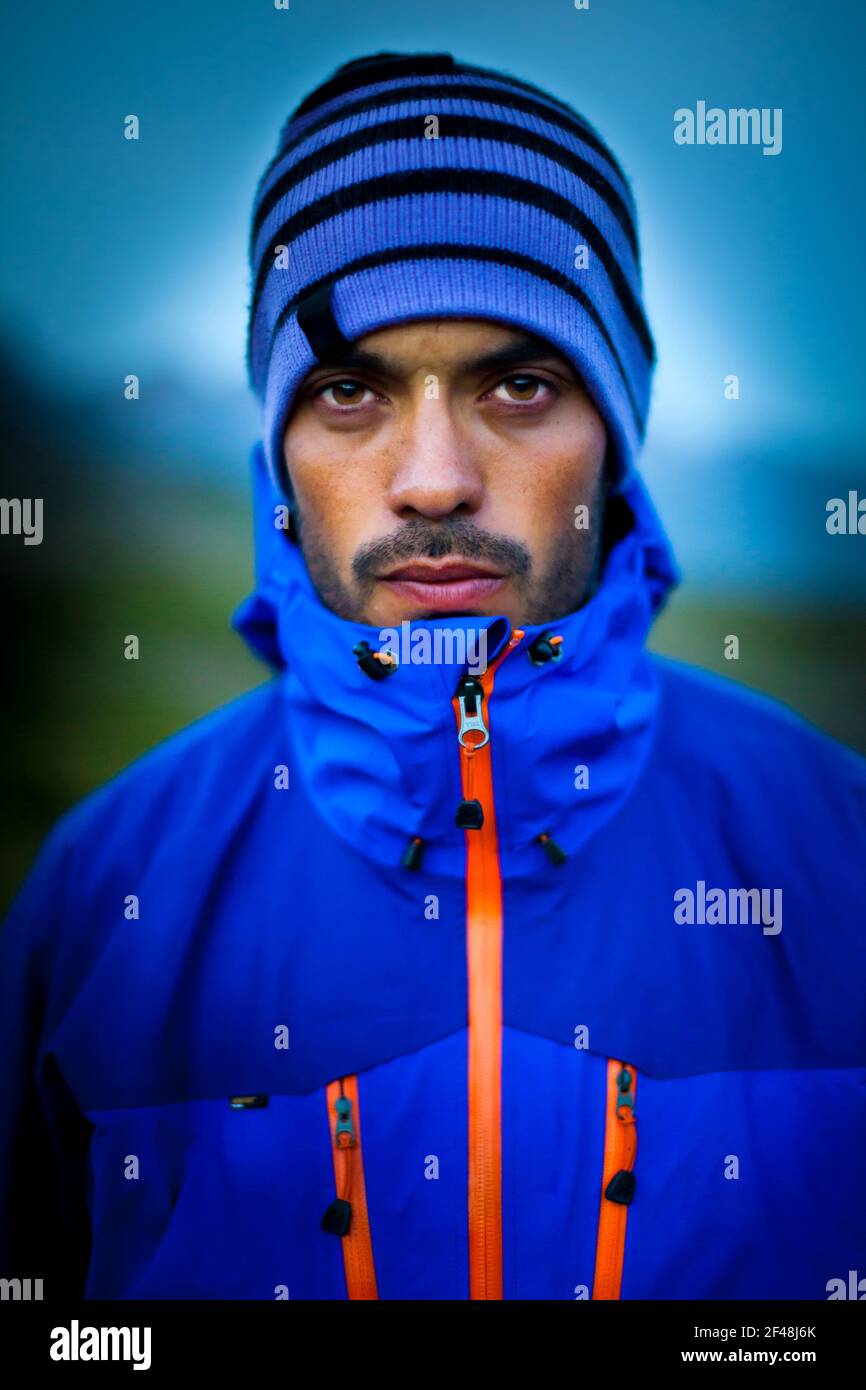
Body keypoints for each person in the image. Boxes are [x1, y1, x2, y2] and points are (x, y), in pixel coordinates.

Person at [1, 51, 864, 1302]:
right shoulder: (103, 896)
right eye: (348, 389)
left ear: (612, 442)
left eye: (518, 383)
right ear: (281, 457)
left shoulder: (836, 857)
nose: (433, 477)